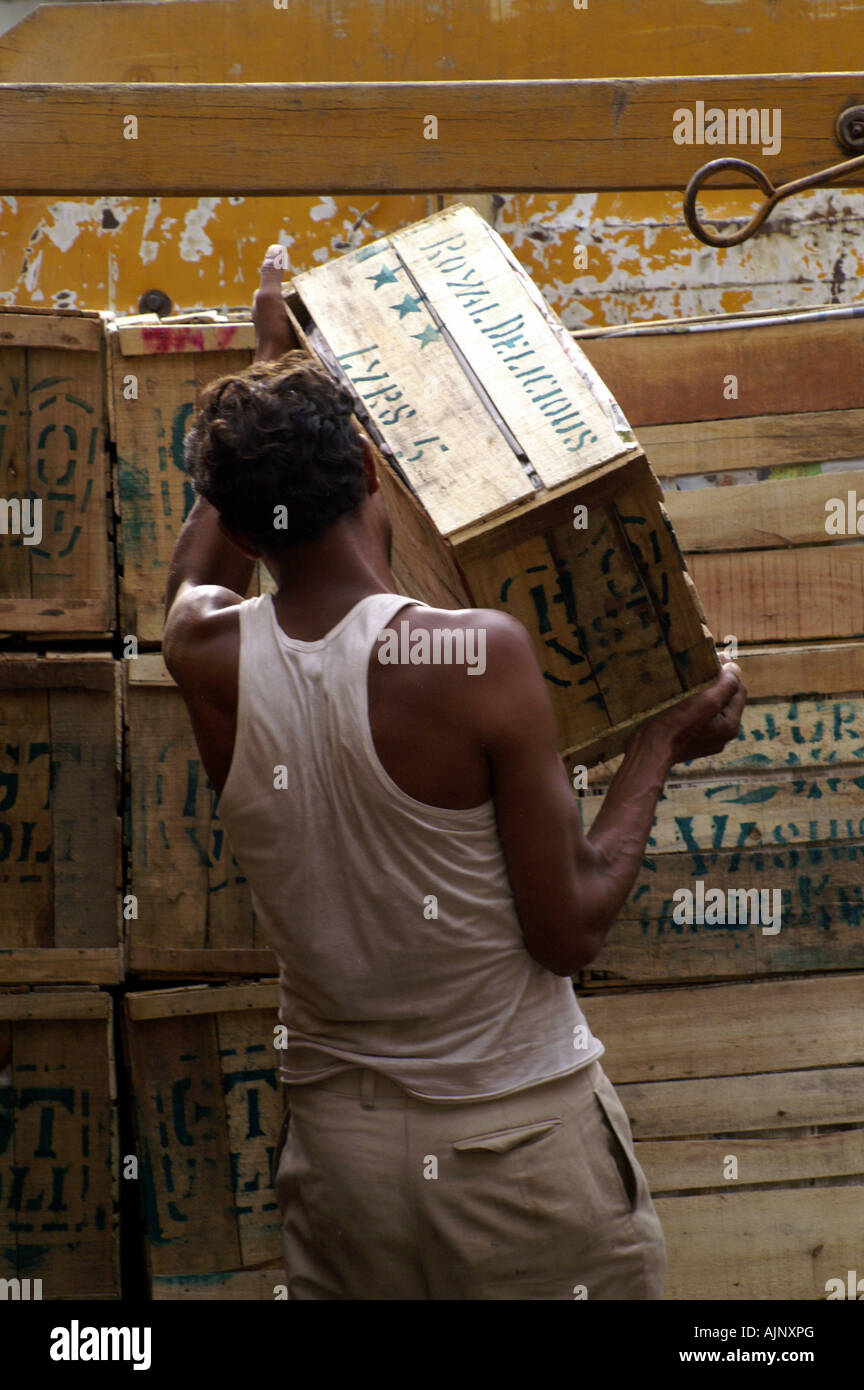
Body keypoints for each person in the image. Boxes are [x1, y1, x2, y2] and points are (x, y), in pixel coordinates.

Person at [163, 245, 747, 1301]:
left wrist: (263, 370)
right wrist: (660, 744)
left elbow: (194, 576)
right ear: (373, 469)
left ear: (245, 528)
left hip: (342, 1173)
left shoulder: (206, 652)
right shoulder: (476, 655)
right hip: (515, 1159)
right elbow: (568, 926)